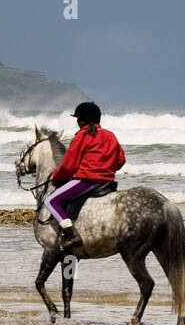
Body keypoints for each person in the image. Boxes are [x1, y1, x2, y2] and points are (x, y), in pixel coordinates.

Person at [46, 102, 125, 251]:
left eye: (77, 119)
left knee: (50, 201)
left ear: (81, 121)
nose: (76, 122)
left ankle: (72, 234)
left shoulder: (82, 136)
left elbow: (68, 166)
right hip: (107, 182)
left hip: (87, 181)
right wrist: (106, 168)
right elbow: (120, 160)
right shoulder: (110, 135)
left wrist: (56, 177)